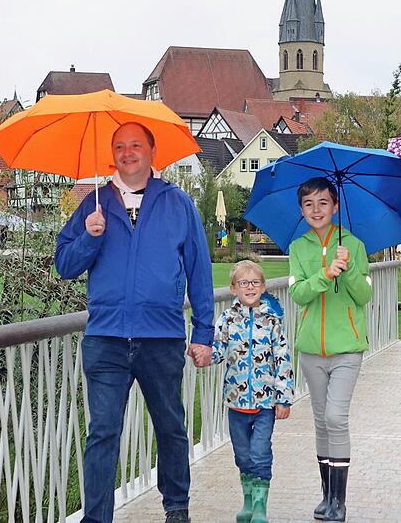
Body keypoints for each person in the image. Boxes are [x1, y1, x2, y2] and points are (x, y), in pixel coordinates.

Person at [55, 122, 214, 523]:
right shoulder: (94, 204)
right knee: (102, 434)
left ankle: (176, 509)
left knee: (171, 427)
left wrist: (204, 333)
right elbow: (65, 265)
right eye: (120, 146)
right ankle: (96, 518)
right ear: (113, 154)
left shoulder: (178, 204)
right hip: (106, 339)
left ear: (152, 152)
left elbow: (199, 271)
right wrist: (89, 237)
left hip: (161, 337)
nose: (128, 152)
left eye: (136, 145)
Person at [287, 177, 372, 522]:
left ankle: (341, 500)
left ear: (335, 206)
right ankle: (327, 498)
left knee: (336, 418)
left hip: (346, 349)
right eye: (309, 204)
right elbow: (298, 294)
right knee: (321, 422)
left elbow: (363, 295)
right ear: (302, 210)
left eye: (323, 203)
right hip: (310, 350)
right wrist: (325, 272)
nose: (316, 210)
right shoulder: (298, 248)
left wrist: (348, 267)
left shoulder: (354, 245)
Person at [210, 260, 294, 523]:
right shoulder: (226, 319)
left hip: (265, 404)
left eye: (255, 282)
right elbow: (218, 351)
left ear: (263, 286)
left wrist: (284, 398)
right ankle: (248, 500)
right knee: (242, 455)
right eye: (243, 283)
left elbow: (283, 359)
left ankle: (260, 506)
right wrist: (200, 351)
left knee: (259, 453)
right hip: (236, 403)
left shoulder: (272, 320)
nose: (250, 287)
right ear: (233, 288)